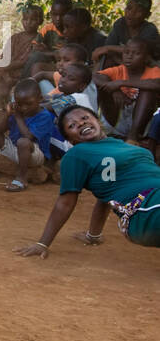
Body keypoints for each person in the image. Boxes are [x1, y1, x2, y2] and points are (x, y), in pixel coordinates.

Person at [16, 105, 160, 253]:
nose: (81, 123)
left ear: (98, 121)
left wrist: (93, 235)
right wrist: (42, 244)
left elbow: (105, 196)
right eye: (71, 125)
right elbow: (65, 203)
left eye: (85, 118)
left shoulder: (131, 149)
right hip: (144, 209)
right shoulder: (77, 154)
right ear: (71, 140)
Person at [0, 78, 55, 191]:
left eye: (29, 104)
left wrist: (18, 116)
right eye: (20, 104)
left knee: (23, 142)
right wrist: (8, 115)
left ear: (40, 99)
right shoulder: (17, 112)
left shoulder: (44, 116)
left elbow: (28, 137)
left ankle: (22, 178)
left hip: (35, 155)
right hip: (16, 148)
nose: (24, 107)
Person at [95, 37, 160, 142]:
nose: (129, 56)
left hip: (141, 123)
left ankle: (132, 138)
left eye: (136, 53)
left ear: (146, 58)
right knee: (104, 87)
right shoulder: (119, 70)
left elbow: (157, 84)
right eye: (126, 52)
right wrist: (115, 90)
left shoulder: (154, 71)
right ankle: (107, 132)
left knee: (148, 90)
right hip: (116, 118)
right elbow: (95, 76)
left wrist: (121, 83)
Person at [0, 5, 48, 110]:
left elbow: (24, 61)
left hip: (21, 74)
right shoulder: (15, 38)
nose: (28, 22)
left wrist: (3, 68)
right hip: (6, 73)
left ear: (40, 21)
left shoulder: (38, 40)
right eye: (25, 19)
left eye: (33, 20)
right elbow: (4, 57)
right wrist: (5, 75)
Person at [93, 0, 159, 69]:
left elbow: (137, 52)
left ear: (147, 15)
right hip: (122, 62)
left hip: (145, 66)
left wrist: (109, 48)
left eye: (139, 11)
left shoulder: (150, 29)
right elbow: (108, 48)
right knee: (104, 60)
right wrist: (121, 63)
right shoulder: (120, 23)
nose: (131, 13)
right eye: (129, 8)